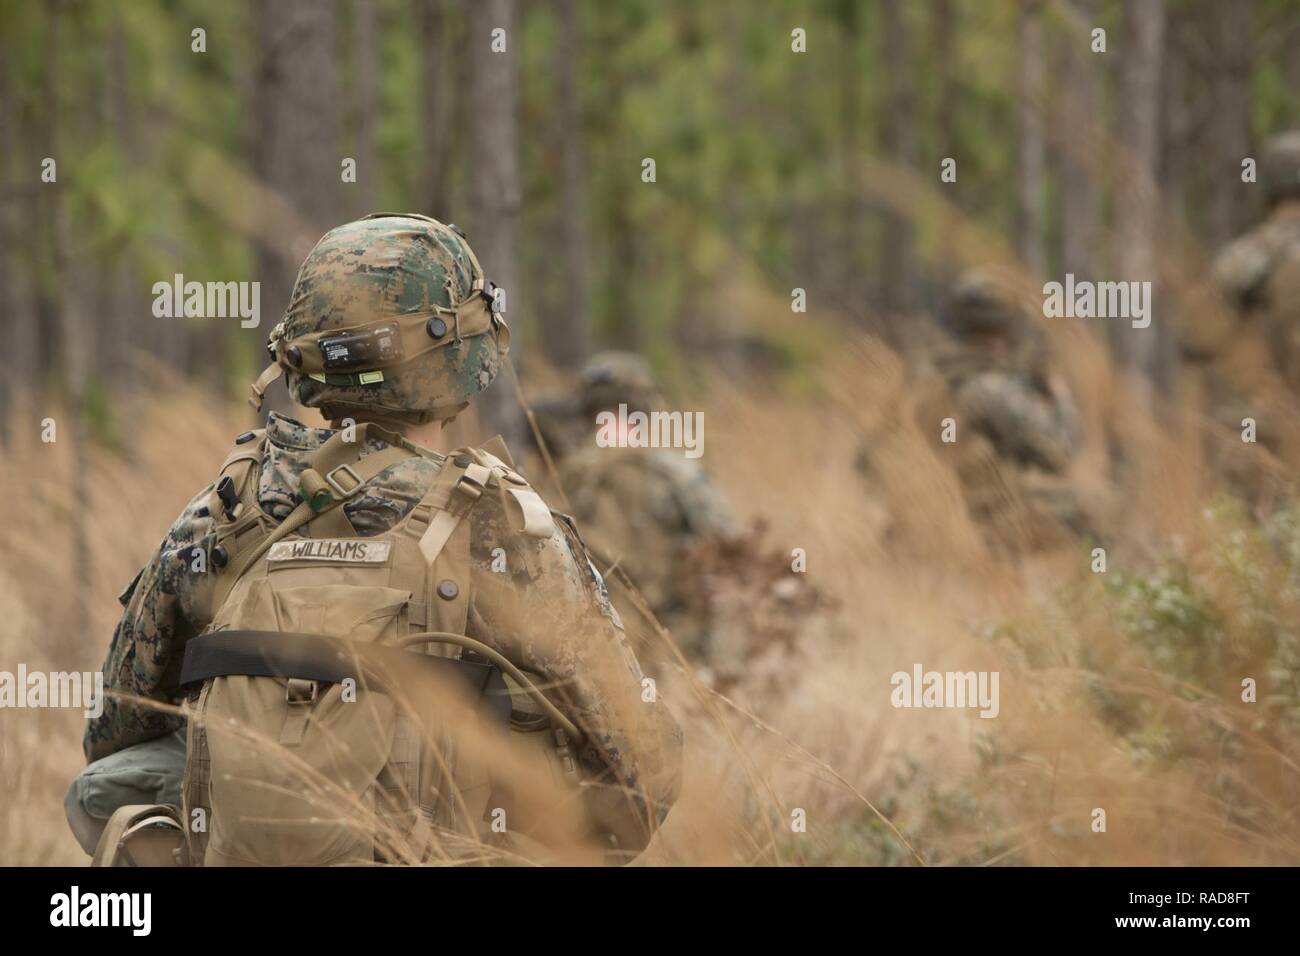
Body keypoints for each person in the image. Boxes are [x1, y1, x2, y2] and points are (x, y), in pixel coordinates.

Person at [67, 213, 682, 866]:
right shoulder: (505, 526)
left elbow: (117, 728)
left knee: (114, 783)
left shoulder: (227, 507)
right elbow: (647, 774)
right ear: (460, 356)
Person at [929, 269, 1087, 551]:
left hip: (936, 519)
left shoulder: (931, 379)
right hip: (987, 525)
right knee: (1097, 512)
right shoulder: (992, 388)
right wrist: (1060, 398)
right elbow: (1059, 455)